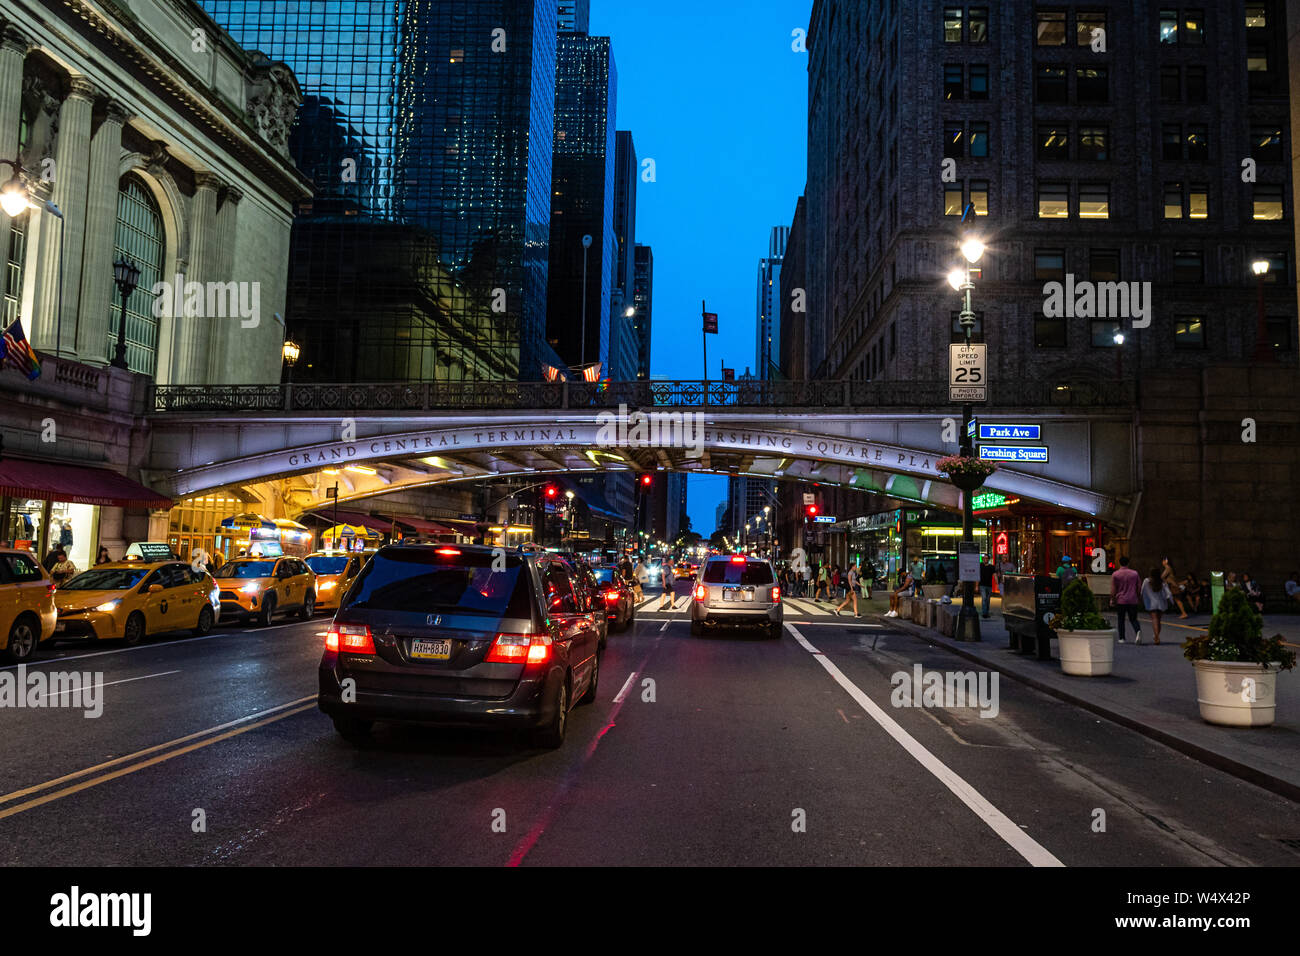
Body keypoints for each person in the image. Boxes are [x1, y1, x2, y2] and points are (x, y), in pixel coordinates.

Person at [1110, 555, 1142, 643]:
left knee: (1121, 619)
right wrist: (1138, 597)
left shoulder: (1115, 574)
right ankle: (1137, 631)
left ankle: (1122, 638)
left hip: (1121, 600)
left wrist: (1112, 599)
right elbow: (1139, 587)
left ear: (1119, 563)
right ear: (1128, 563)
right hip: (1132, 599)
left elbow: (1113, 589)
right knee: (1133, 619)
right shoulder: (1135, 573)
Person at [1140, 567, 1171, 645]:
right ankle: (1157, 635)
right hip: (1161, 603)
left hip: (1151, 603)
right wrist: (1170, 601)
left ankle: (1156, 636)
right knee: (1159, 621)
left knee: (1154, 620)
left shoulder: (1147, 581)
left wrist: (1142, 599)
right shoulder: (1162, 582)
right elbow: (1167, 593)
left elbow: (1142, 591)